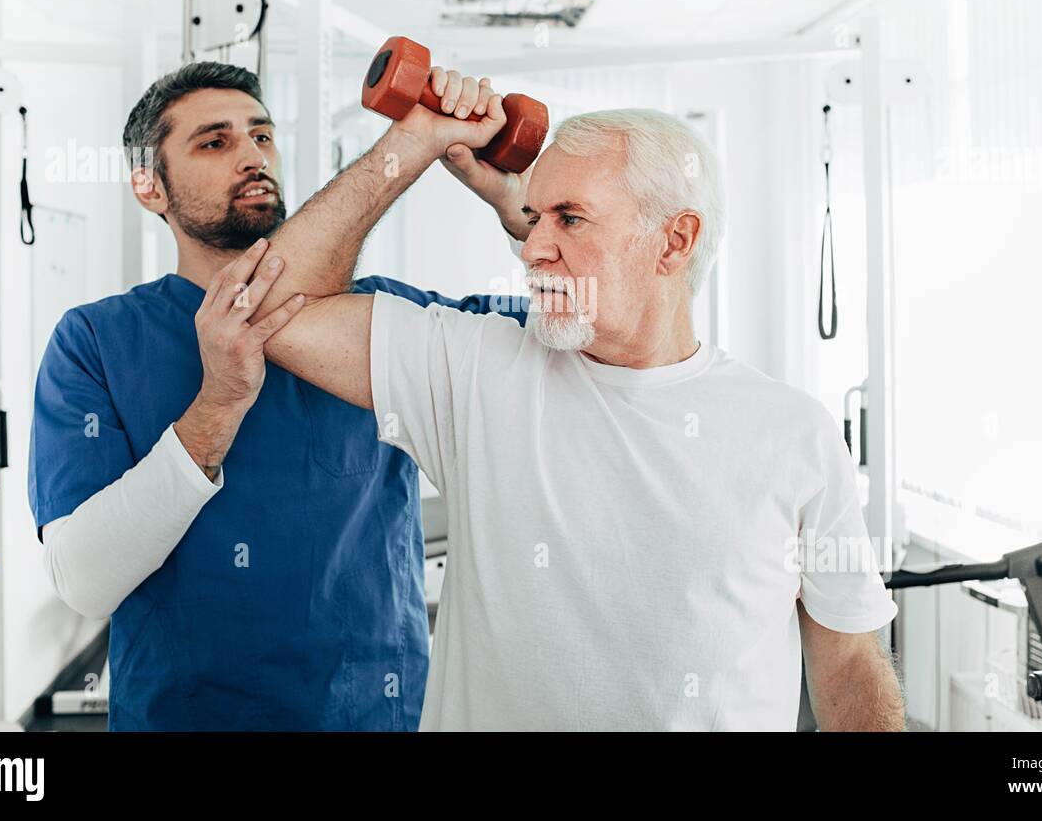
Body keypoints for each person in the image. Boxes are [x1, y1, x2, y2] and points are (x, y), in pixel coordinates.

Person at [244, 106, 907, 730]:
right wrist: (413, 140)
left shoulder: (794, 434)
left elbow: (848, 660)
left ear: (673, 242)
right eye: (533, 217)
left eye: (569, 219)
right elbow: (271, 308)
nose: (532, 248)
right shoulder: (478, 368)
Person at [28, 61, 525, 730]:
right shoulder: (94, 340)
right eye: (215, 141)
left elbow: (576, 337)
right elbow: (83, 581)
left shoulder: (382, 320)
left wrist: (519, 211)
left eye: (262, 136)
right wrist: (218, 404)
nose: (252, 155)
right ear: (149, 186)